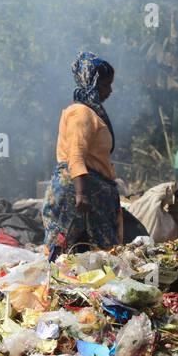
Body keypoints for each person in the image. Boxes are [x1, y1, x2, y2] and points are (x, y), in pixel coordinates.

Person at [43, 50, 124, 259]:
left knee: (89, 255)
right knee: (62, 252)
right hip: (76, 193)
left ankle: (90, 290)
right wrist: (81, 194)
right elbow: (76, 155)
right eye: (106, 85)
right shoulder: (81, 113)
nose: (111, 90)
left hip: (92, 193)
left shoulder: (91, 112)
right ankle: (54, 288)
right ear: (93, 84)